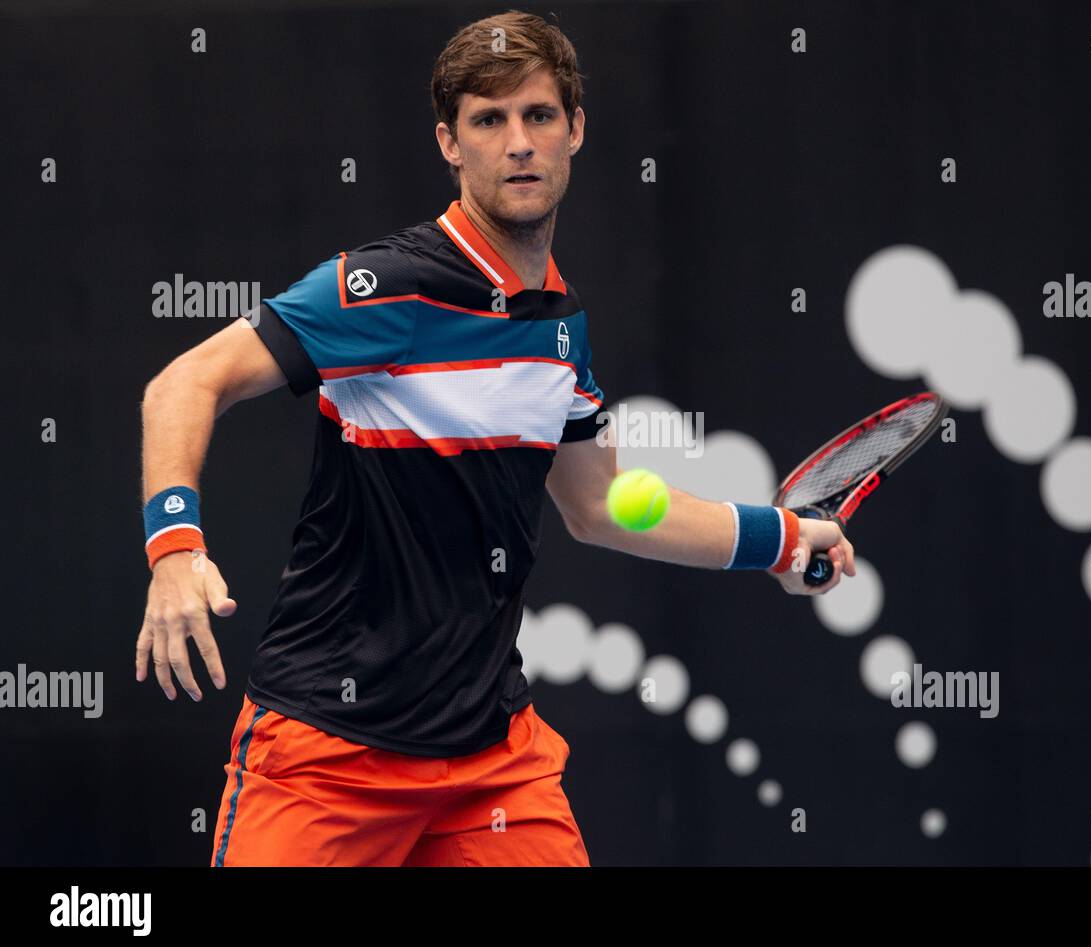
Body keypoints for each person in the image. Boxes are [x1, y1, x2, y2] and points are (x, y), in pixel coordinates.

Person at [136, 9, 855, 867]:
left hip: (491, 763)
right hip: (327, 752)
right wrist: (174, 548)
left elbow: (600, 507)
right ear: (451, 142)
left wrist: (776, 542)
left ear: (575, 131)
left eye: (539, 116)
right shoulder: (385, 287)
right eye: (489, 120)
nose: (519, 143)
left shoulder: (562, 324)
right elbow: (184, 381)